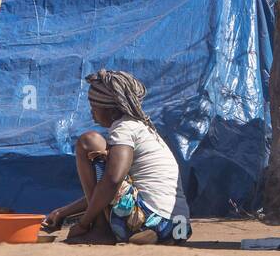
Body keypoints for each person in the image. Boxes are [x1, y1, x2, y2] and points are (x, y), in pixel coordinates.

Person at [42, 69, 190, 245]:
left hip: (152, 217)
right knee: (107, 181)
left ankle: (101, 230)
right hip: (177, 227)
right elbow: (106, 191)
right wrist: (62, 213)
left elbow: (113, 181)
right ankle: (151, 234)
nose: (92, 112)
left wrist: (84, 224)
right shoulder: (143, 129)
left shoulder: (124, 129)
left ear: (111, 109)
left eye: (94, 106)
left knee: (89, 142)